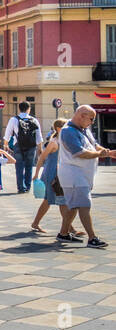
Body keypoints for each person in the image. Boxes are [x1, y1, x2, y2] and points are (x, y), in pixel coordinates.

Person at [56, 105, 110, 248]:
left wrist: (106, 152)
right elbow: (79, 153)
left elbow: (93, 145)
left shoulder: (84, 129)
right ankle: (92, 238)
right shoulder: (68, 131)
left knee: (73, 206)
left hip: (81, 174)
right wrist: (100, 154)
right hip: (73, 174)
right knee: (84, 204)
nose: (92, 122)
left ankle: (63, 234)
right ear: (81, 115)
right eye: (91, 119)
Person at [30, 119, 79, 239]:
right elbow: (41, 158)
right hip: (51, 175)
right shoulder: (54, 142)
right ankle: (69, 229)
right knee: (61, 201)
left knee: (49, 200)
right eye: (66, 127)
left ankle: (36, 223)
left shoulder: (64, 141)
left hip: (60, 174)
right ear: (58, 128)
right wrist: (36, 174)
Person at [4, 102, 41, 194]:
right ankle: (27, 187)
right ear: (29, 109)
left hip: (18, 146)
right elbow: (39, 136)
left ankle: (21, 187)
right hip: (31, 147)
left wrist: (6, 145)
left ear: (19, 109)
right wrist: (40, 148)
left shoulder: (14, 119)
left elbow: (7, 133)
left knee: (19, 167)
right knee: (29, 167)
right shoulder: (34, 120)